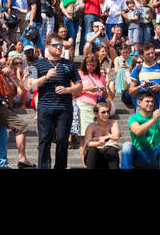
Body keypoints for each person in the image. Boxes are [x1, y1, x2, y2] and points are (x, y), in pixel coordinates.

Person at [27, 32, 82, 170]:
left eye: (61, 45)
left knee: (63, 140)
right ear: (47, 46)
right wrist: (45, 77)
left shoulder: (69, 64)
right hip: (45, 107)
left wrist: (67, 90)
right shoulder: (38, 63)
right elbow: (29, 85)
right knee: (44, 140)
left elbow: (79, 86)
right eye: (55, 45)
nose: (59, 47)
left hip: (64, 108)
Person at [121, 90, 160, 168]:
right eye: (147, 101)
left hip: (154, 156)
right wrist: (153, 120)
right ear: (139, 102)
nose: (150, 104)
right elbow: (137, 131)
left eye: (152, 102)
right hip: (139, 157)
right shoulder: (134, 118)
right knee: (127, 145)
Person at [80, 103, 121, 168]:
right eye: (103, 112)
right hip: (94, 157)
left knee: (112, 150)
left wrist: (95, 139)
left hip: (109, 155)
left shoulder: (113, 122)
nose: (106, 114)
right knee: (92, 150)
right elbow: (88, 143)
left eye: (108, 112)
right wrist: (99, 142)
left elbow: (115, 137)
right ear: (96, 114)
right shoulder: (91, 126)